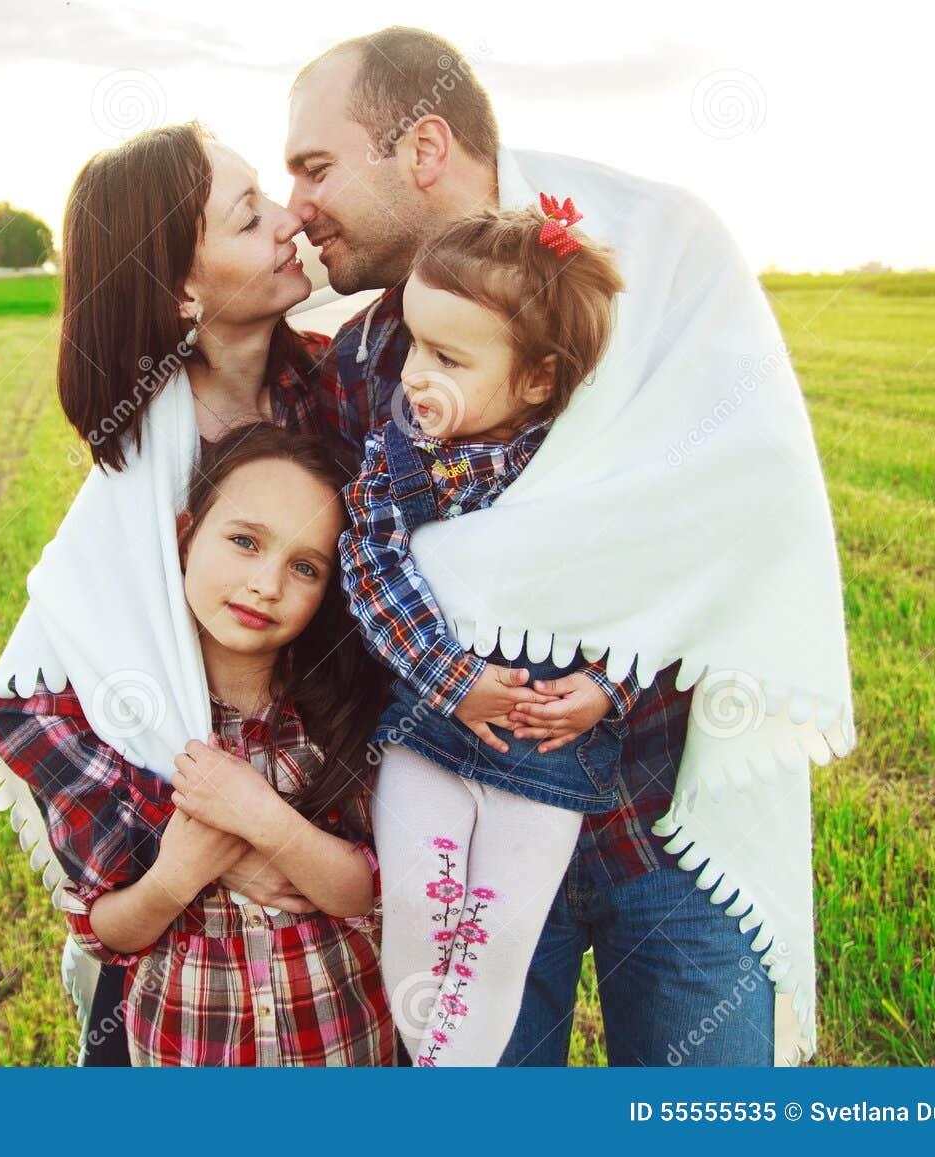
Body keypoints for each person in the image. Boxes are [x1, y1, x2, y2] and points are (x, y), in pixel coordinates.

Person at [286, 26, 855, 1065]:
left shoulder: (657, 254)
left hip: (664, 823)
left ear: (421, 148)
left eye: (313, 167)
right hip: (466, 822)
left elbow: (733, 516)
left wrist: (612, 681)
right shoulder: (360, 363)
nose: (295, 207)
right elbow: (340, 562)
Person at [0, 121, 388, 1064]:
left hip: (336, 866)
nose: (291, 220)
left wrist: (287, 829)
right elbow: (35, 698)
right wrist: (213, 838)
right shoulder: (140, 458)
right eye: (250, 219)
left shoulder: (339, 390)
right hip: (189, 893)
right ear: (183, 288)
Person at [340, 201, 641, 1065]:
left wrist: (606, 687)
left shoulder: (586, 464)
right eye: (412, 347)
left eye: (446, 357)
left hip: (546, 744)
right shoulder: (399, 455)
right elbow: (372, 567)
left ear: (539, 379)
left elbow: (639, 588)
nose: (414, 377)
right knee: (419, 914)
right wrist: (449, 674)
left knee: (498, 937)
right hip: (434, 730)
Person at [52, 424, 393, 1065]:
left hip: (338, 1049)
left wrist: (261, 818)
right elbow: (103, 933)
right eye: (243, 542)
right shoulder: (127, 724)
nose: (267, 584)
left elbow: (373, 891)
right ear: (184, 537)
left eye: (304, 566)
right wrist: (179, 873)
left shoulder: (340, 718)